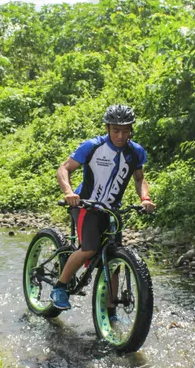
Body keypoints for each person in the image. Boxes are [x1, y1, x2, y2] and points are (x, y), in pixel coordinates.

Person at [50, 104, 155, 310]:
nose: (121, 135)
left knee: (113, 259)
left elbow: (139, 178)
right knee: (89, 249)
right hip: (85, 206)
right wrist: (69, 193)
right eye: (116, 130)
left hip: (112, 211)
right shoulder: (93, 146)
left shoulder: (136, 152)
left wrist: (145, 197)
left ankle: (109, 309)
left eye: (126, 130)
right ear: (107, 128)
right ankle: (60, 287)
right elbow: (64, 168)